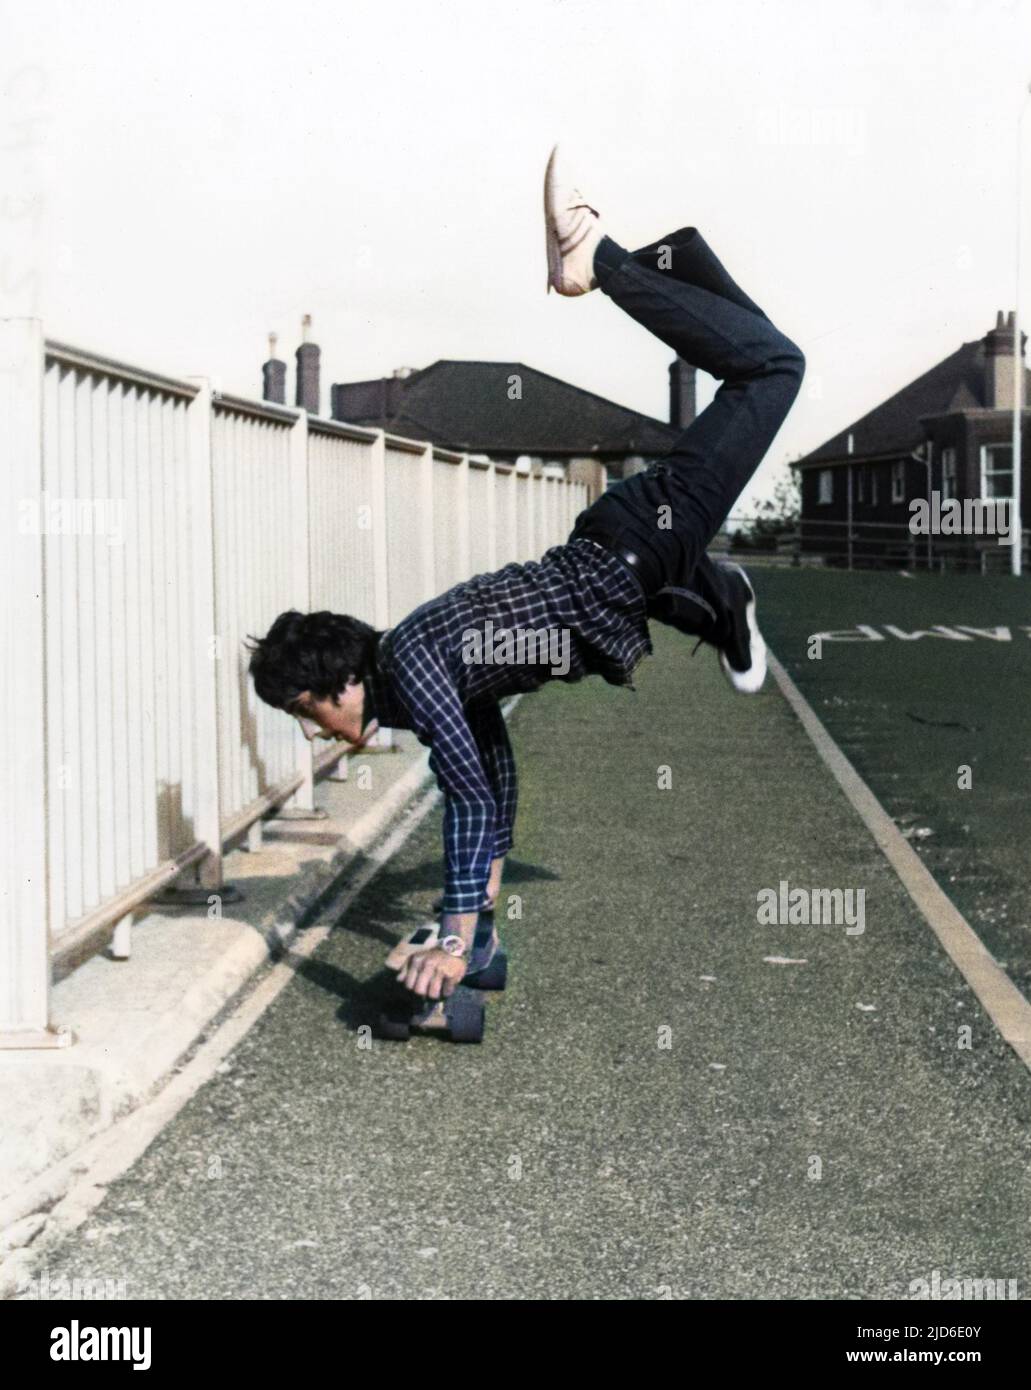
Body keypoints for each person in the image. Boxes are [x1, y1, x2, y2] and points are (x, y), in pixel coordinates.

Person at [248, 146, 806, 1004]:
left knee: (771, 366)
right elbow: (494, 779)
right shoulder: (417, 672)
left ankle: (604, 258)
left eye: (308, 710)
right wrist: (474, 925)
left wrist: (456, 931)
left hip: (638, 545)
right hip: (620, 553)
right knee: (761, 357)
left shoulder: (415, 668)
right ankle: (713, 592)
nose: (316, 734)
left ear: (341, 679)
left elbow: (465, 794)